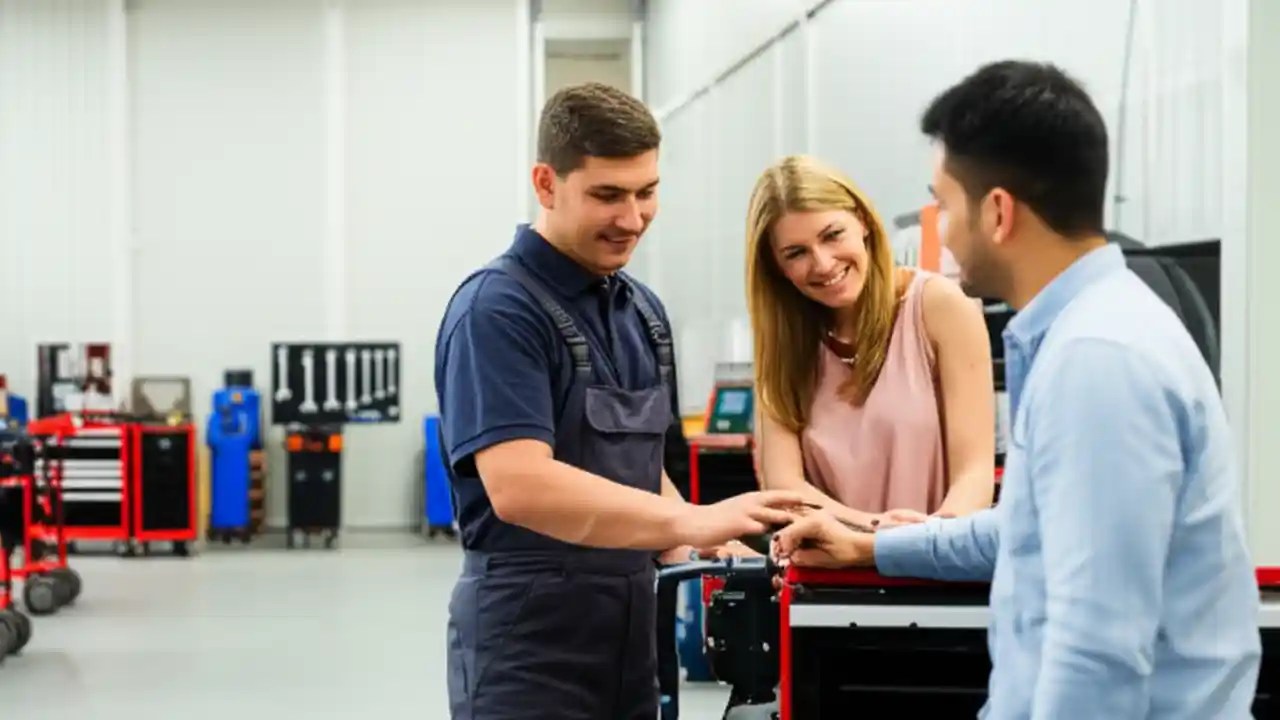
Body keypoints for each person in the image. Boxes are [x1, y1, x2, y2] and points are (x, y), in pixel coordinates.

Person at [772, 61, 1261, 718]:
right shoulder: (1084, 336)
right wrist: (874, 547)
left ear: (997, 211)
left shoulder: (1098, 360)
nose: (941, 229)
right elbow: (1030, 532)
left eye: (945, 206)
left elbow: (1097, 654)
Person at [433, 82, 804, 720]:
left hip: (633, 639)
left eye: (647, 192)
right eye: (607, 195)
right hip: (526, 646)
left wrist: (718, 551)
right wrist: (694, 522)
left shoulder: (643, 313)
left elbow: (636, 470)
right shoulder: (498, 310)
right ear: (546, 184)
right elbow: (521, 487)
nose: (632, 218)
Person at [745, 155, 996, 530]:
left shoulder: (939, 306)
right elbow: (784, 488)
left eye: (832, 235)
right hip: (828, 578)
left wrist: (922, 544)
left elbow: (974, 473)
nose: (824, 263)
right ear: (777, 267)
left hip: (932, 571)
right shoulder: (782, 345)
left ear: (862, 220)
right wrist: (876, 529)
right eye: (796, 253)